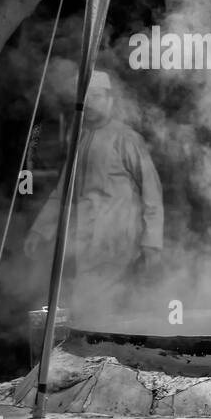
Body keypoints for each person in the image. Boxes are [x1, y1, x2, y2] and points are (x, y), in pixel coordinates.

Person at [25, 70, 163, 311]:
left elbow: (152, 193)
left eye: (96, 96)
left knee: (95, 308)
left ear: (110, 100)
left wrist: (151, 243)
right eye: (85, 97)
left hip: (118, 244)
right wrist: (40, 230)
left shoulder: (126, 138)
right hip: (86, 244)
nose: (90, 103)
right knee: (90, 308)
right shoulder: (79, 139)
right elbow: (62, 192)